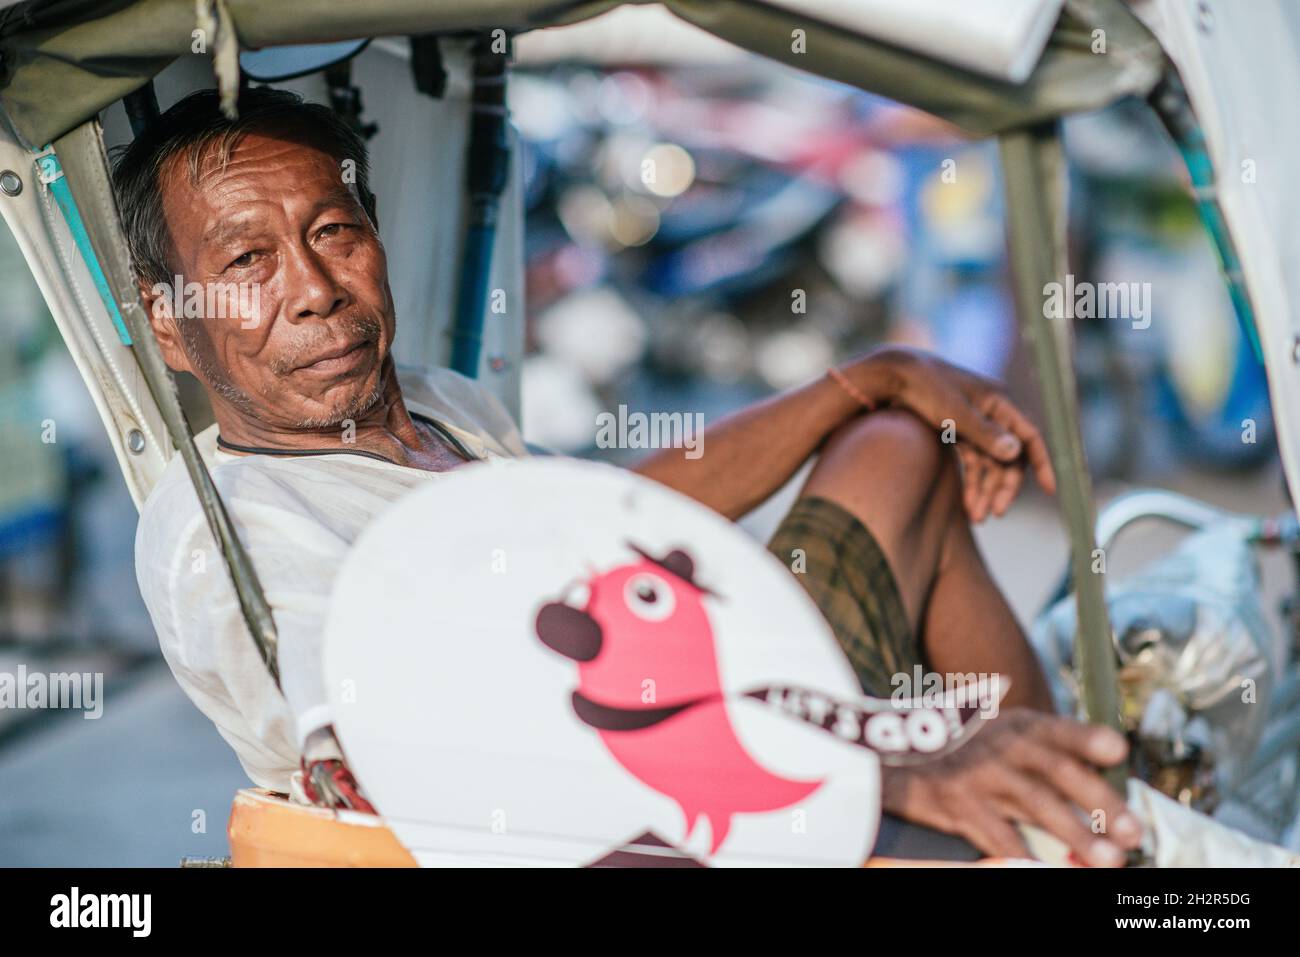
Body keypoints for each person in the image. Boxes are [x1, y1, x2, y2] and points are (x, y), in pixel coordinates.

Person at [120, 88, 1141, 866]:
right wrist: (890, 764)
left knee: (895, 440)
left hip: (681, 714)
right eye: (246, 264)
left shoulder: (437, 406)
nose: (312, 291)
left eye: (333, 233)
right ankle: (1044, 816)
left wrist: (857, 382)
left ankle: (1058, 791)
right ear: (170, 322)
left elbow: (617, 521)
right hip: (595, 825)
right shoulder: (230, 530)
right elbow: (426, 749)